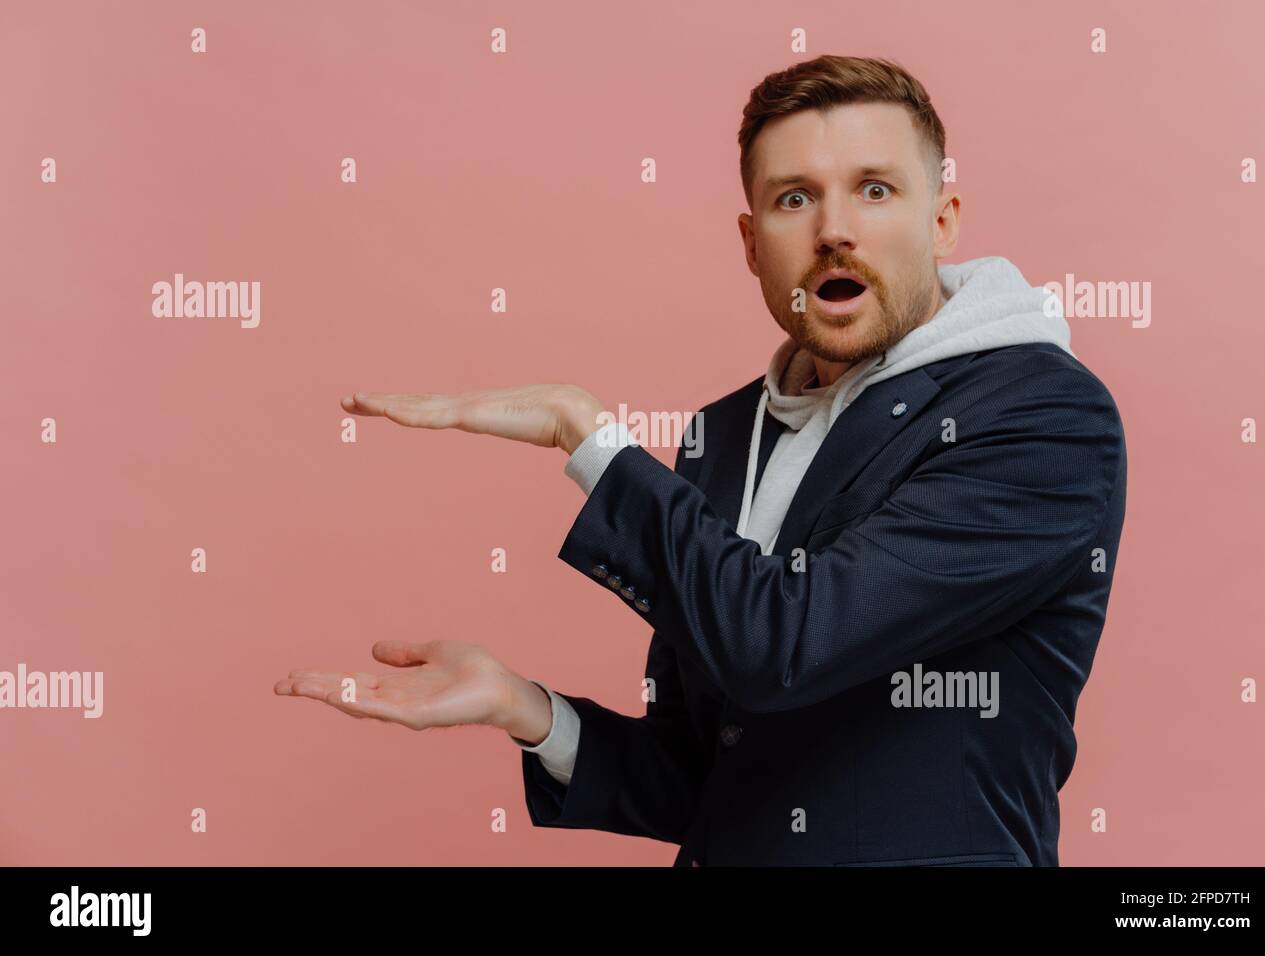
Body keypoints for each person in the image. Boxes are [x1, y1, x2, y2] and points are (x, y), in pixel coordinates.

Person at [274, 54, 1127, 867]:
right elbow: (713, 778)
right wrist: (527, 710)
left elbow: (787, 641)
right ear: (754, 245)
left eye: (874, 189)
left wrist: (589, 439)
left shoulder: (1040, 416)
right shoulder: (727, 436)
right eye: (796, 198)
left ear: (940, 220)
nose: (834, 231)